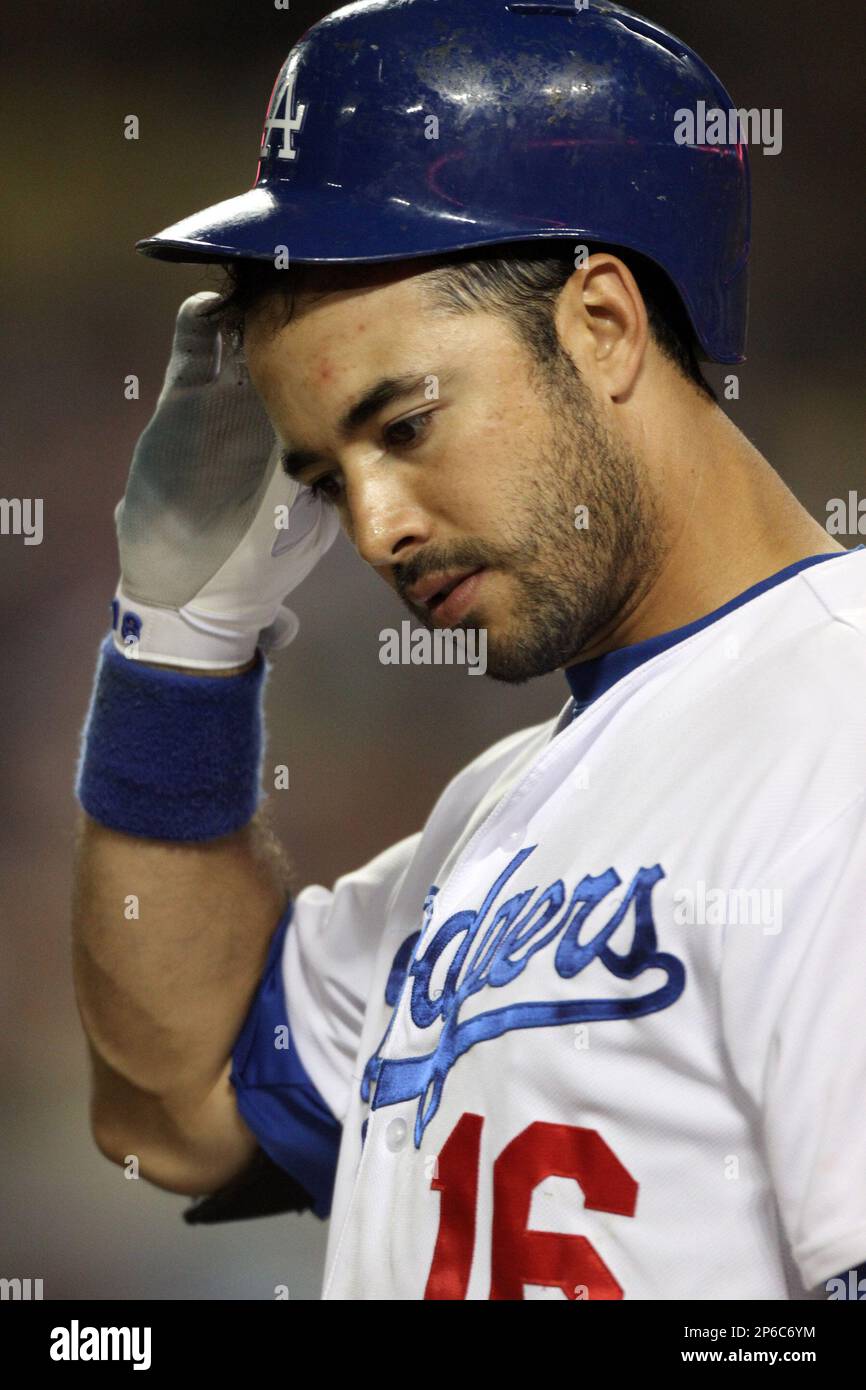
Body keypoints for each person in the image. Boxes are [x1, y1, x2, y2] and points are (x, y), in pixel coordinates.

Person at [72, 0, 866, 1299]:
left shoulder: (837, 722)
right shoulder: (489, 821)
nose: (374, 527)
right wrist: (175, 648)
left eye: (407, 422)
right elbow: (169, 1112)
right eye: (324, 476)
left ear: (602, 324)